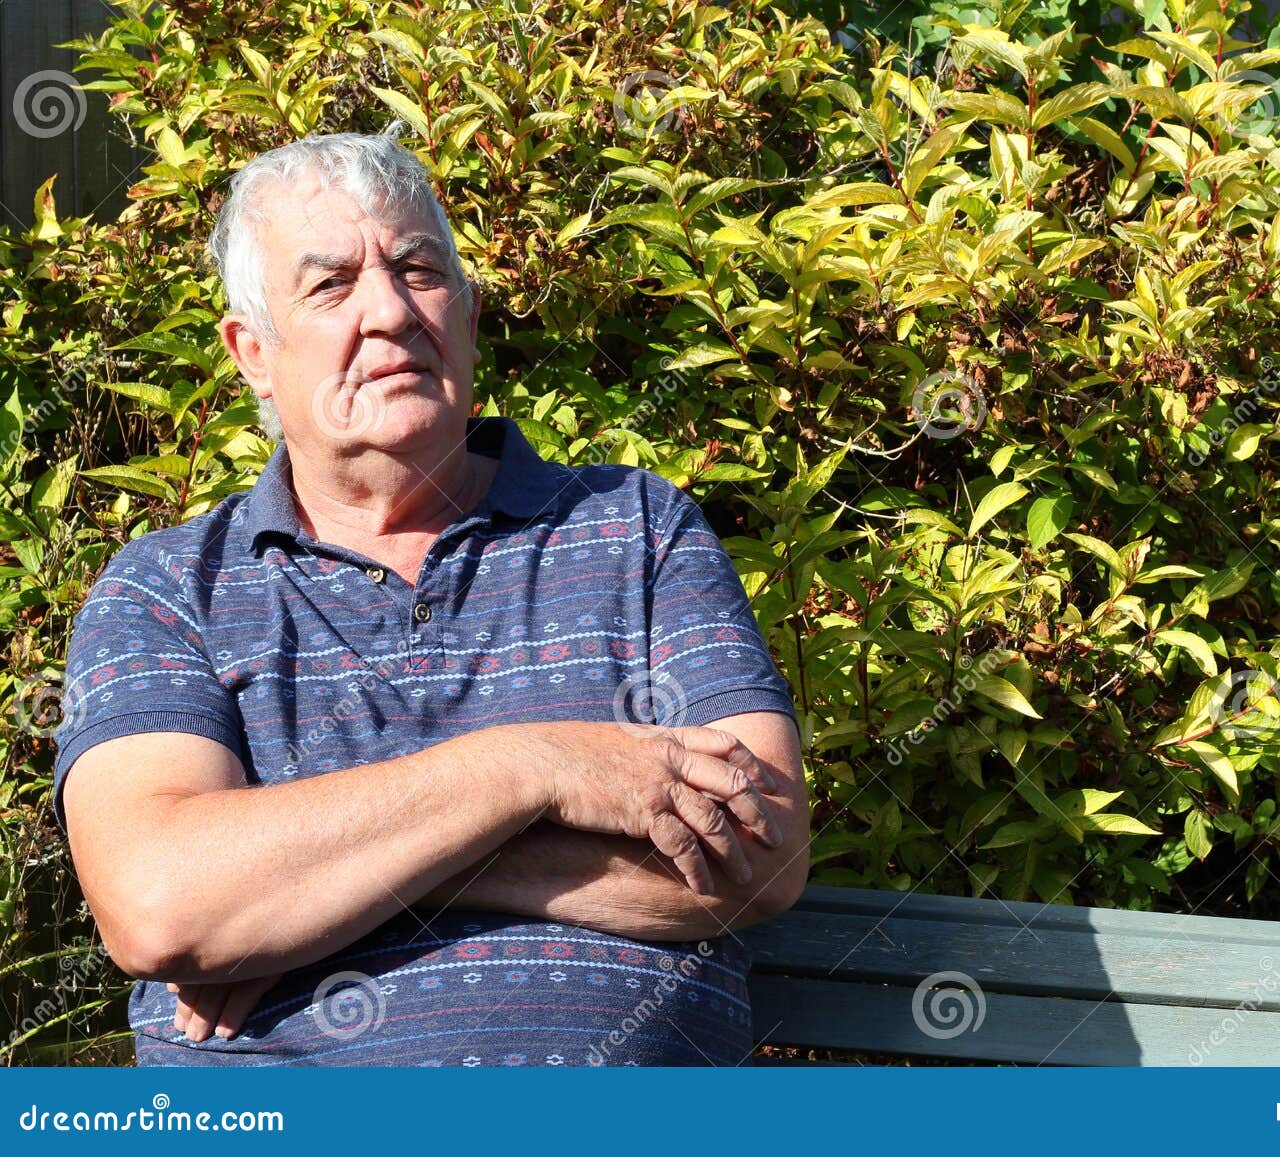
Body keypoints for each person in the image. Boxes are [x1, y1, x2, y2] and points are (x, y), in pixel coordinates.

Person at [51, 132, 809, 1067]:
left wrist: (319, 890)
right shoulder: (167, 588)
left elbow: (758, 850)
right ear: (253, 351)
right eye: (329, 285)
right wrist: (536, 766)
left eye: (419, 268)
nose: (389, 310)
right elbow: (162, 902)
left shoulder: (636, 529)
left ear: (469, 313)